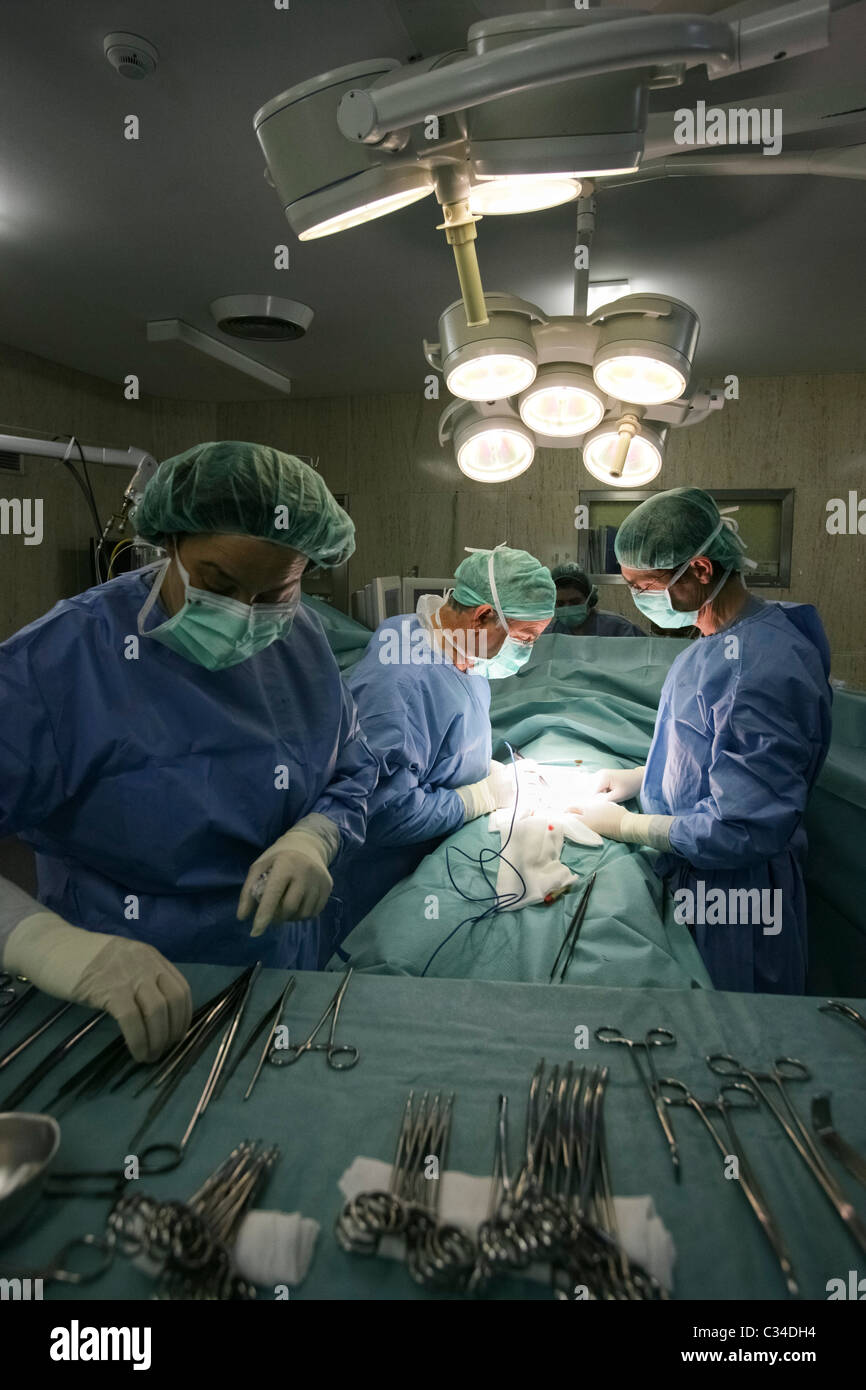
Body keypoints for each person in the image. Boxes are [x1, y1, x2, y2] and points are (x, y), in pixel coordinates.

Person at [0, 442, 378, 1059]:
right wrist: (48, 947)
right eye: (218, 582)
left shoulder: (302, 639)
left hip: (277, 976)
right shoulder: (61, 661)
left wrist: (316, 834)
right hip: (114, 994)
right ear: (169, 545)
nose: (242, 615)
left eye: (273, 593)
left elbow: (354, 768)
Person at [577, 487, 832, 994]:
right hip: (695, 870)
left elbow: (743, 829)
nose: (638, 599)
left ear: (699, 571)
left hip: (737, 896)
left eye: (644, 585)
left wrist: (632, 827)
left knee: (727, 1034)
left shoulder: (764, 667)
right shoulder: (715, 641)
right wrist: (637, 780)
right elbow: (704, 756)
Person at [326, 544, 556, 948]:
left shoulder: (450, 644)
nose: (526, 650)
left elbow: (443, 741)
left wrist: (492, 771)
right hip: (374, 887)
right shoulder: (400, 683)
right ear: (483, 615)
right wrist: (479, 798)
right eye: (524, 637)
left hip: (423, 858)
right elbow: (381, 815)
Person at [548, 562, 644, 636]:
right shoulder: (549, 634)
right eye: (560, 604)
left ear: (589, 600)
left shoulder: (619, 628)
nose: (567, 608)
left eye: (575, 602)